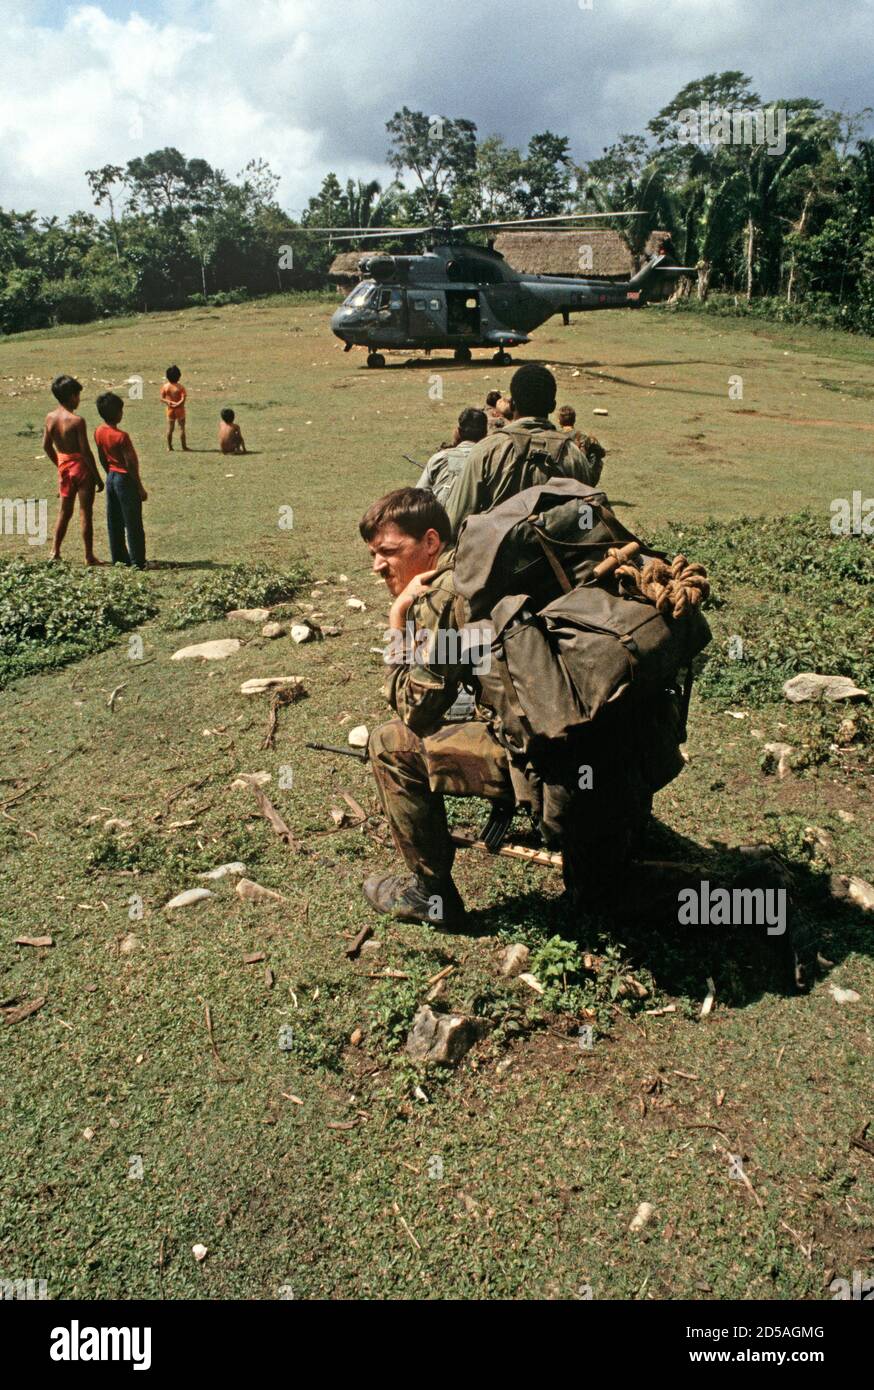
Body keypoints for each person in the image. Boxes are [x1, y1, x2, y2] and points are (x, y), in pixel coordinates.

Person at [357, 486, 653, 927]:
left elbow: (414, 709)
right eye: (373, 554)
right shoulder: (510, 565)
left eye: (389, 551)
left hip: (560, 771)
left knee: (389, 745)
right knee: (602, 894)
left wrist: (398, 618)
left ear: (432, 542)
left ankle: (432, 897)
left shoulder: (452, 594)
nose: (378, 565)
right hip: (629, 750)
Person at [441, 364, 601, 538]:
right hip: (558, 561)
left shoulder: (486, 451)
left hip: (495, 561)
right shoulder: (574, 455)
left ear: (513, 404)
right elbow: (586, 523)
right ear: (552, 406)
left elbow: (453, 523)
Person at [42, 374, 104, 564]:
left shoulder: (50, 418)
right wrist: (98, 477)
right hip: (82, 470)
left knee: (64, 512)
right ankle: (88, 556)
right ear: (71, 396)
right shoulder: (77, 421)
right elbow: (85, 451)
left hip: (65, 469)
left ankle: (55, 551)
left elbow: (46, 446)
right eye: (77, 395)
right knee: (86, 512)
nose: (79, 399)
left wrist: (59, 464)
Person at [94, 392, 147, 569]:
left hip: (111, 477)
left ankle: (119, 558)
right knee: (133, 522)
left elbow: (101, 456)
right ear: (117, 413)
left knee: (114, 520)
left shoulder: (99, 431)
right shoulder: (121, 436)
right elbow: (131, 463)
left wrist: (108, 474)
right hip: (125, 479)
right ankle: (137, 561)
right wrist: (139, 487)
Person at [416, 407, 486, 510]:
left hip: (439, 520)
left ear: (458, 432)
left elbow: (419, 495)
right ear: (485, 434)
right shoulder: (488, 460)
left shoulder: (439, 458)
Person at [557, 404, 607, 483]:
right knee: (595, 454)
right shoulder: (584, 437)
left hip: (559, 474)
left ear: (559, 421)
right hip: (580, 476)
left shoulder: (555, 436)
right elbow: (602, 453)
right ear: (574, 420)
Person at [161, 365, 187, 451]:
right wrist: (178, 404)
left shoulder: (165, 387)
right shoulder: (180, 387)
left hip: (170, 410)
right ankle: (184, 447)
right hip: (180, 410)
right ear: (179, 376)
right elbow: (183, 399)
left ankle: (169, 447)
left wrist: (169, 402)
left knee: (170, 429)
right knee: (182, 428)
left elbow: (162, 398)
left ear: (167, 376)